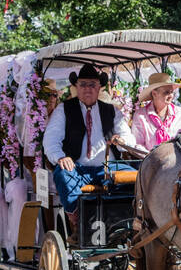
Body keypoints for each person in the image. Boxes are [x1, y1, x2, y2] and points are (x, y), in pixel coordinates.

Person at [42, 63, 143, 234]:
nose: (87, 89)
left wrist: (121, 140)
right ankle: (79, 224)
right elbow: (51, 139)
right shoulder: (64, 109)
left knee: (134, 177)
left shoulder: (111, 111)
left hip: (107, 167)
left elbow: (129, 138)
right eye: (83, 84)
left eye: (92, 85)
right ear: (76, 87)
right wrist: (60, 157)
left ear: (99, 88)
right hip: (77, 167)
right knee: (62, 173)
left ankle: (124, 224)